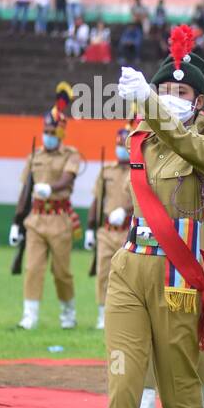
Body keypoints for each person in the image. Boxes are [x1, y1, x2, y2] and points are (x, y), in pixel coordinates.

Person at [84, 29, 204, 408]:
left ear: (200, 101)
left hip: (177, 275)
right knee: (123, 381)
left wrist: (150, 101)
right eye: (165, 91)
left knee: (179, 389)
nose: (172, 98)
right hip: (130, 267)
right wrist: (149, 107)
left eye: (182, 94)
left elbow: (196, 151)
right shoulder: (139, 138)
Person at [12, 85, 82, 330]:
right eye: (45, 131)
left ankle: (67, 312)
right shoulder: (35, 156)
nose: (48, 135)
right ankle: (29, 315)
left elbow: (68, 178)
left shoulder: (70, 154)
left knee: (61, 272)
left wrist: (50, 188)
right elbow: (25, 190)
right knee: (32, 268)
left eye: (52, 131)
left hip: (60, 220)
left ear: (61, 133)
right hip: (36, 219)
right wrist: (16, 222)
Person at [88, 125, 134, 330]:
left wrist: (125, 211)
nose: (120, 149)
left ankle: (127, 315)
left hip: (128, 230)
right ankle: (102, 315)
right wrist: (90, 228)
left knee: (128, 275)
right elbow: (96, 201)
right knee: (103, 272)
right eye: (118, 145)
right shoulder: (106, 171)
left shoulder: (137, 171)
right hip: (106, 231)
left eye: (124, 146)